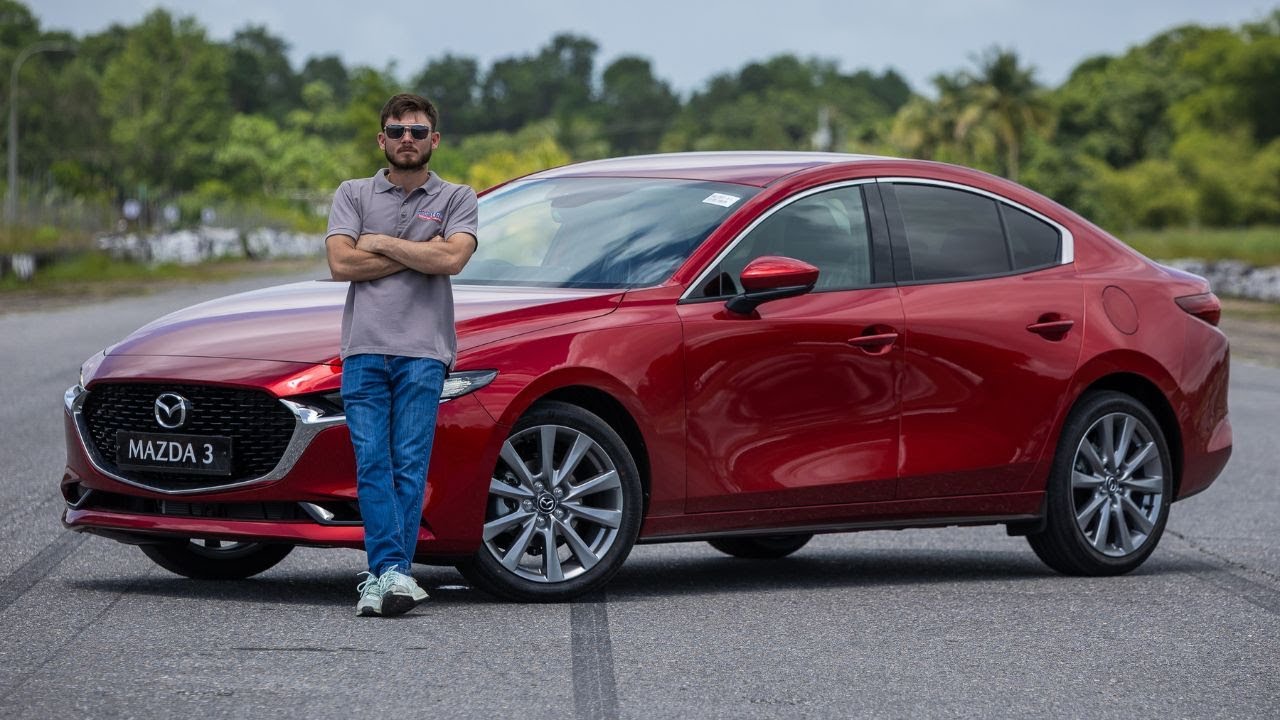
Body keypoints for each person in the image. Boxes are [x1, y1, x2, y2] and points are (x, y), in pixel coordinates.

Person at [325, 93, 478, 616]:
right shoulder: (352, 193)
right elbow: (342, 265)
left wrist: (379, 242)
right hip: (363, 350)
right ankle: (393, 574)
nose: (406, 139)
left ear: (434, 139)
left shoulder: (457, 197)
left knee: (408, 466)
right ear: (381, 139)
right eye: (396, 131)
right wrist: (421, 251)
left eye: (416, 132)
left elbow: (453, 258)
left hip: (423, 352)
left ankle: (385, 575)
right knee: (372, 464)